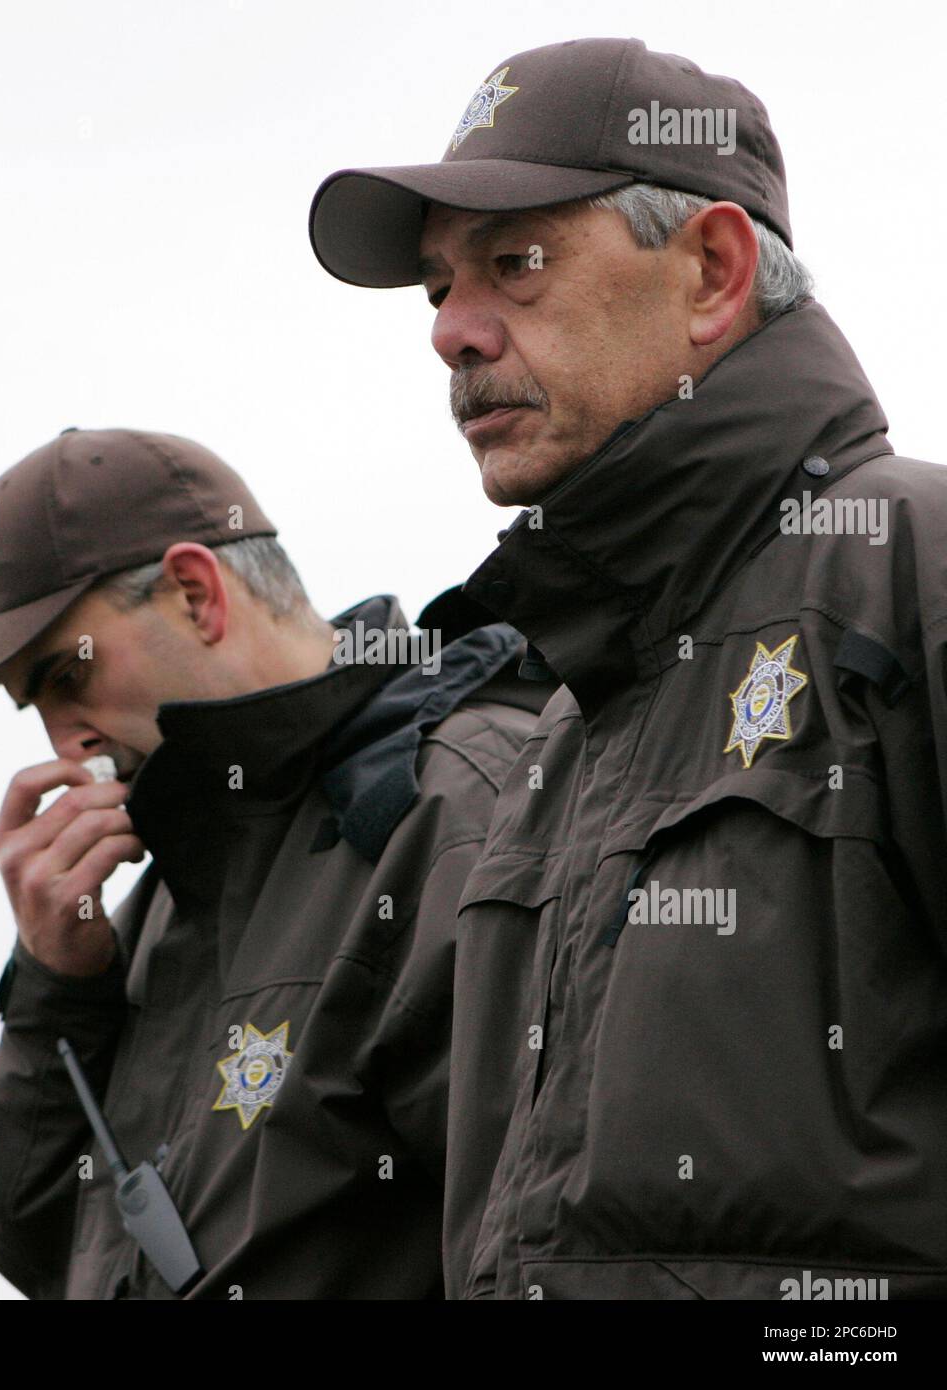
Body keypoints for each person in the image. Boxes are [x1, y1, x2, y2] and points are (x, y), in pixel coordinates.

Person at [309, 37, 947, 1299]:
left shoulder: (911, 574)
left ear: (711, 271)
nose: (448, 330)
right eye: (438, 283)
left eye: (515, 262)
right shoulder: (560, 728)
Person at [0, 426, 551, 1299]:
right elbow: (38, 1238)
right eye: (32, 708)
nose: (64, 741)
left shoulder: (461, 804)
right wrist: (61, 985)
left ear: (197, 593)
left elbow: (558, 1233)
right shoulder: (169, 881)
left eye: (66, 675)